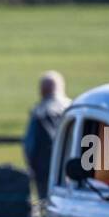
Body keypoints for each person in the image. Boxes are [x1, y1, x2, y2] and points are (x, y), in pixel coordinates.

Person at [22, 71, 70, 200]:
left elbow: (29, 145)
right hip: (73, 171)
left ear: (42, 90)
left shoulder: (39, 112)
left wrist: (32, 166)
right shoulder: (73, 109)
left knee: (45, 204)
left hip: (44, 171)